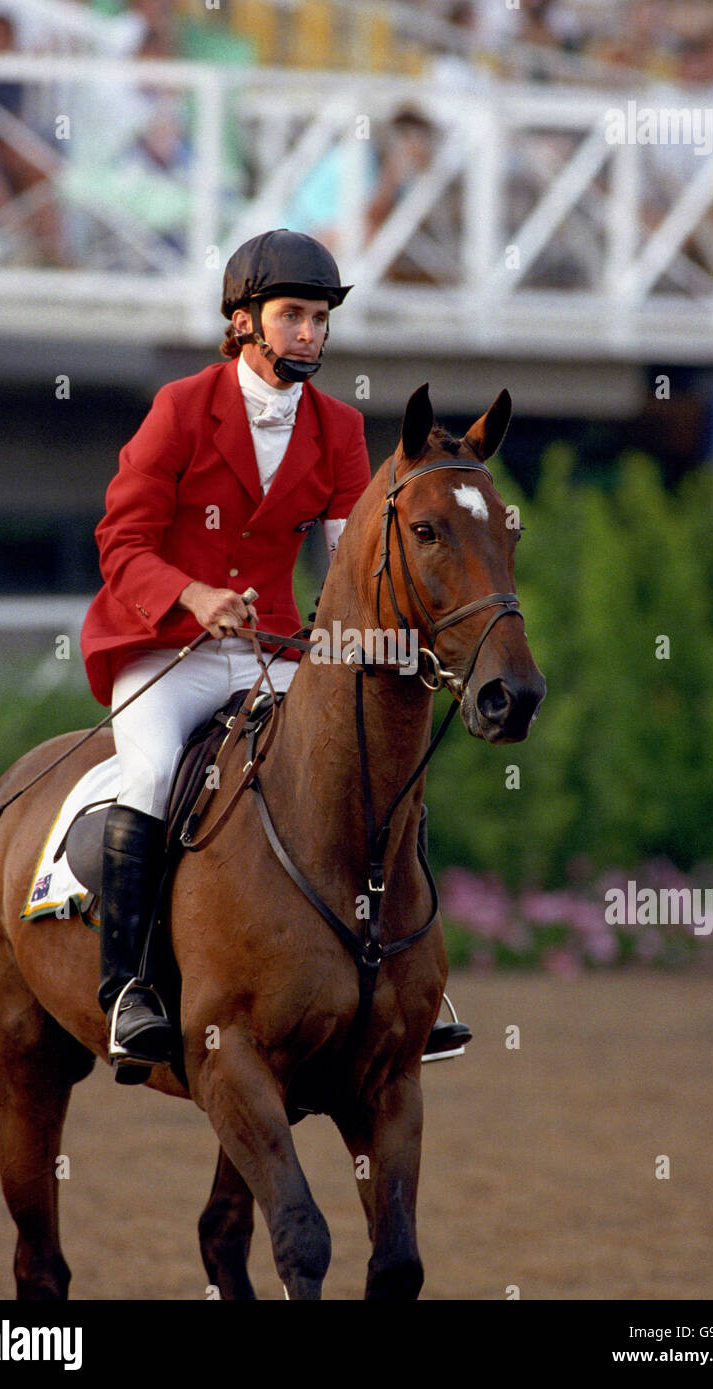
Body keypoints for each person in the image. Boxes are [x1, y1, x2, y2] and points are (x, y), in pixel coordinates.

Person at [80, 228, 470, 1082]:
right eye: (293, 315)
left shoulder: (338, 427)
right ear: (244, 321)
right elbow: (122, 540)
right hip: (167, 646)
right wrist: (194, 595)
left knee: (372, 767)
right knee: (147, 774)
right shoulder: (182, 408)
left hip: (275, 646)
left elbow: (345, 562)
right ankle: (129, 990)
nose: (310, 334)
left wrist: (369, 641)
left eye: (320, 319)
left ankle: (415, 982)